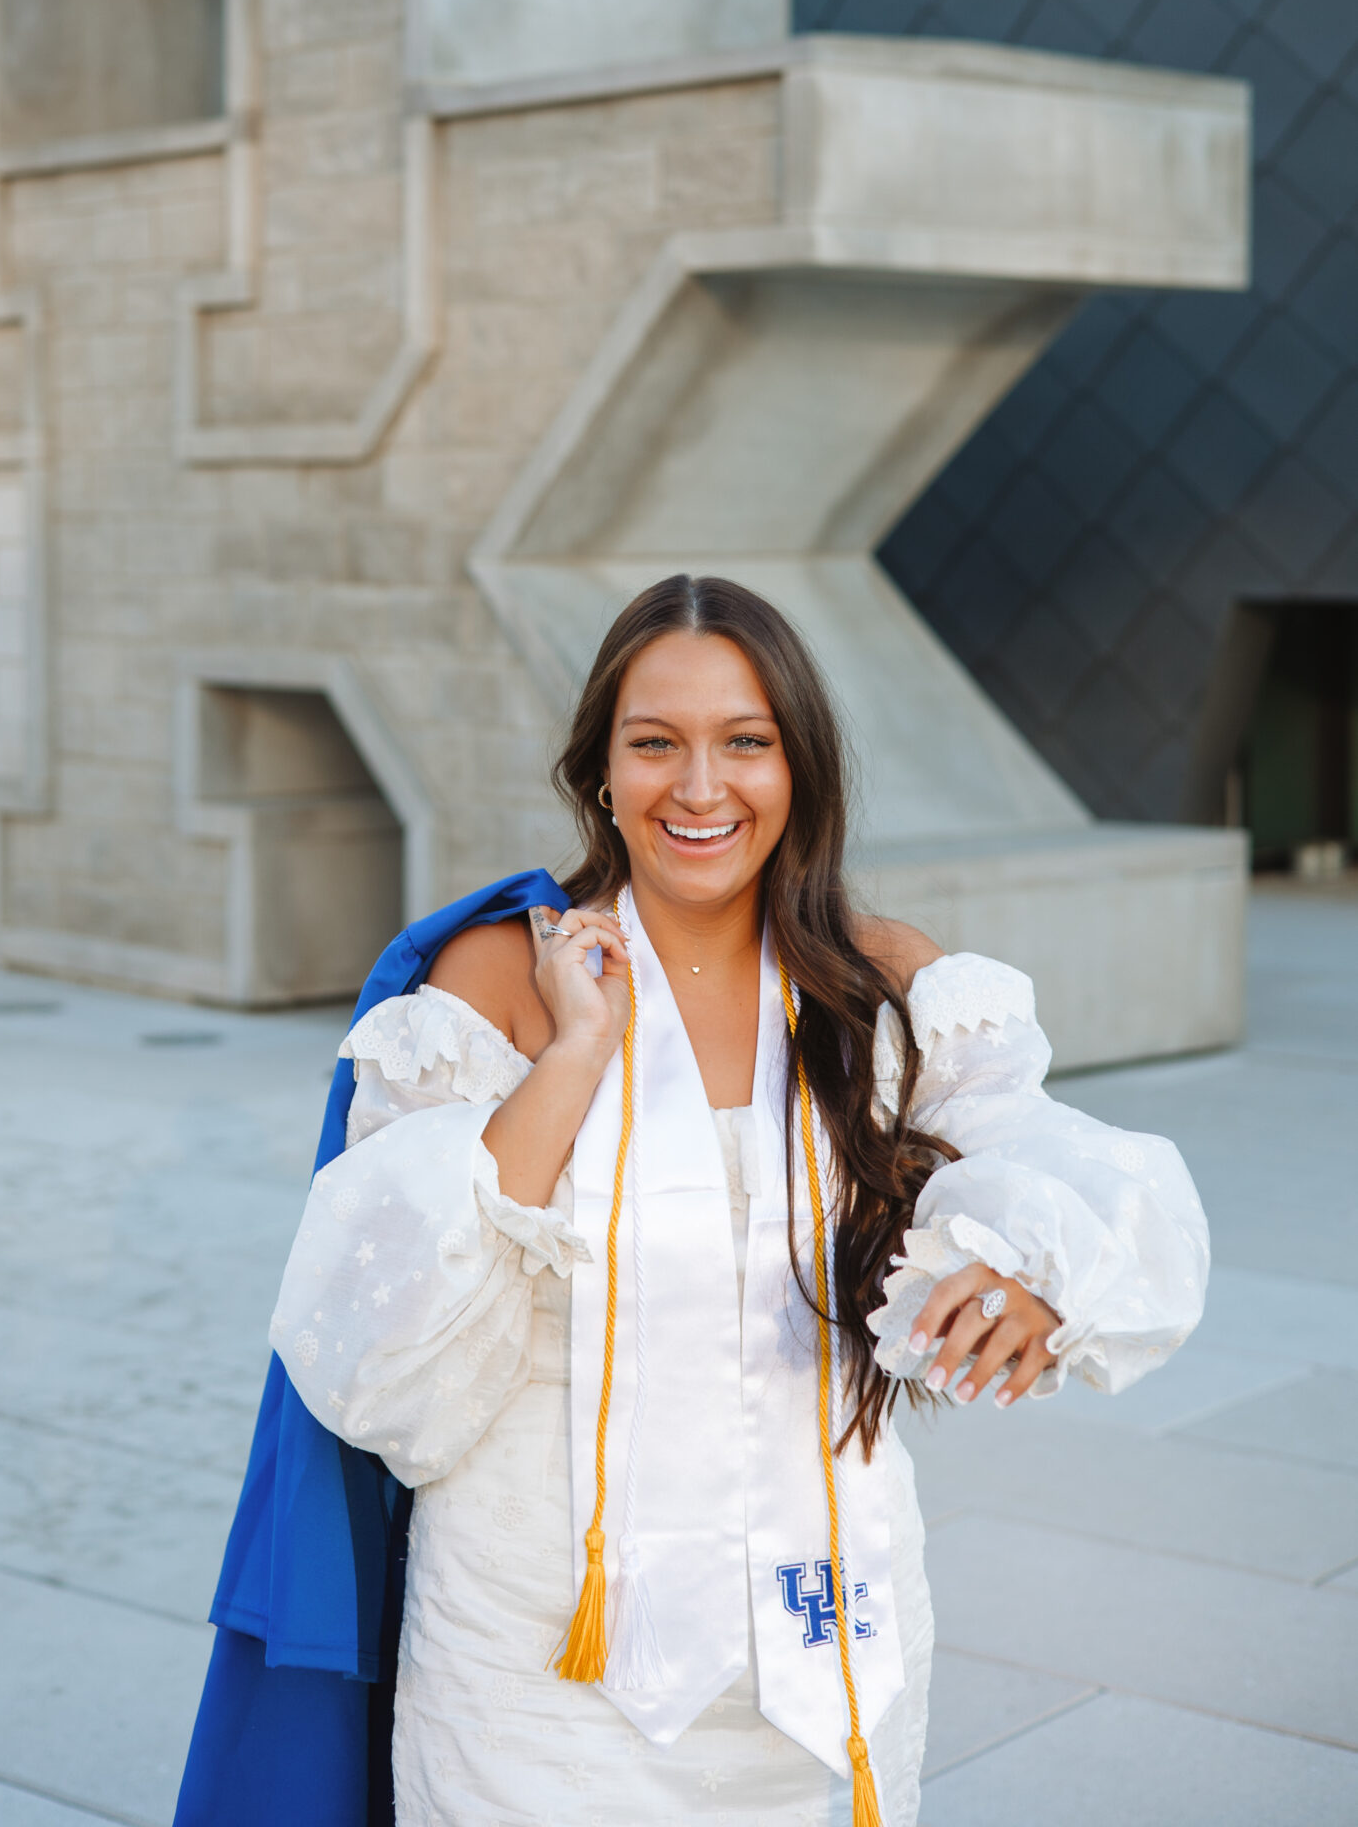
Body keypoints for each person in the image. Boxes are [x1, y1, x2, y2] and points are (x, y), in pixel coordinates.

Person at [175, 574, 1208, 1827]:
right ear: (601, 771)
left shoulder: (886, 983)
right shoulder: (498, 977)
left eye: (746, 743)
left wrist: (1041, 1268)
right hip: (541, 1659)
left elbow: (1052, 1157)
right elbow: (381, 1335)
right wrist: (572, 1056)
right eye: (655, 742)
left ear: (801, 769)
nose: (701, 786)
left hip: (826, 1647)